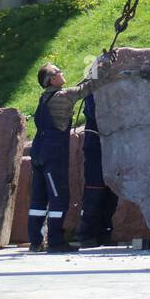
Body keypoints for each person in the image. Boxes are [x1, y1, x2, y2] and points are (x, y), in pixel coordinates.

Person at [29, 58, 108, 253]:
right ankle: (55, 241)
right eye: (58, 71)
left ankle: (35, 241)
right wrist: (104, 67)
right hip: (53, 154)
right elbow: (88, 87)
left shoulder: (45, 97)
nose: (62, 72)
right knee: (59, 197)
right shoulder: (62, 97)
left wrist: (95, 66)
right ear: (51, 79)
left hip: (39, 151)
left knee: (38, 199)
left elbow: (79, 87)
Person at [77, 93, 119, 248]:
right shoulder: (94, 83)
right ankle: (87, 235)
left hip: (112, 143)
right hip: (96, 143)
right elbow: (93, 112)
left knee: (112, 190)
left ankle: (105, 233)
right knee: (95, 189)